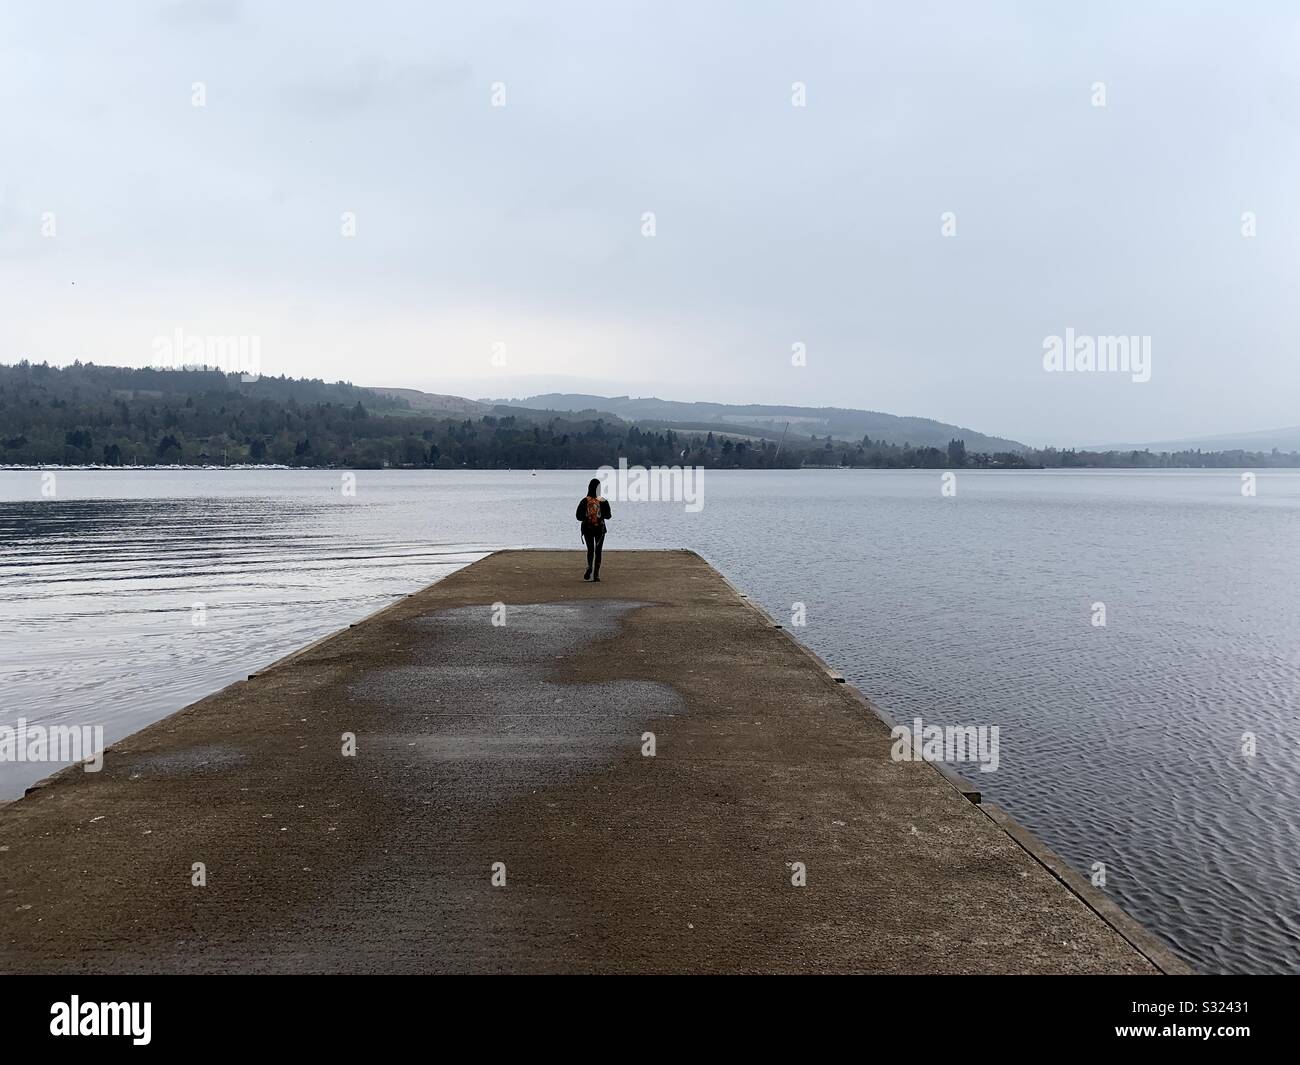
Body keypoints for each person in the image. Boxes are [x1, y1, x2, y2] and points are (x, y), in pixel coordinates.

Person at [575, 477, 612, 581]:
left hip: (587, 528)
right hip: (600, 529)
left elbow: (578, 516)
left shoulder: (584, 501)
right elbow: (609, 516)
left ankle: (589, 566)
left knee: (590, 550)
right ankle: (596, 575)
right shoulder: (603, 501)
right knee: (598, 551)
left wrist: (587, 518)